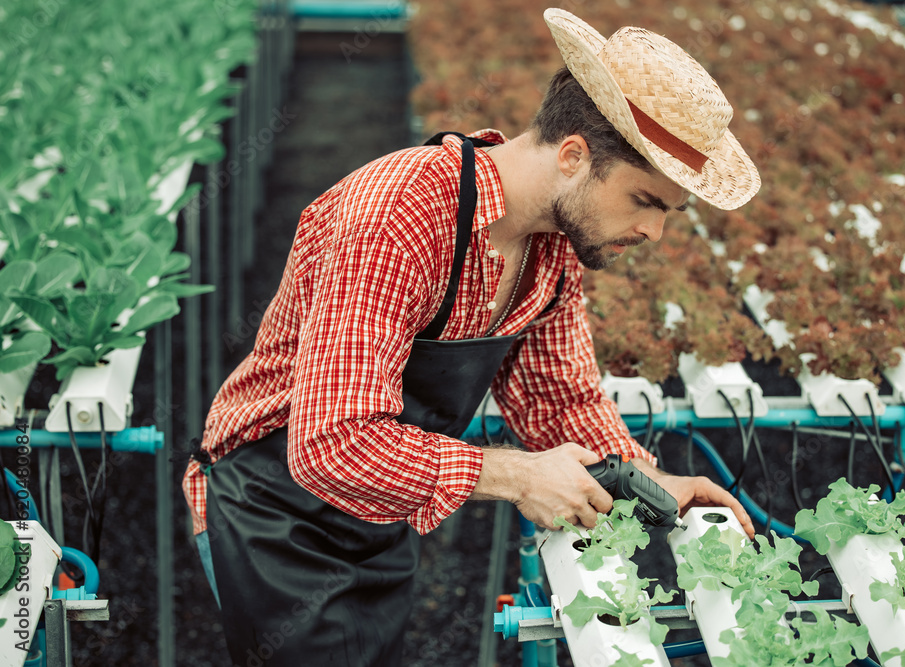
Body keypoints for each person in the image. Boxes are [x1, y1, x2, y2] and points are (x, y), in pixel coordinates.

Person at [183, 8, 761, 666]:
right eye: (645, 202)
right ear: (573, 156)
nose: (655, 234)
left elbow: (558, 400)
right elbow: (330, 445)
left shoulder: (552, 252)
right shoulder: (401, 214)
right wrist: (514, 475)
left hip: (377, 511)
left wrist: (651, 481)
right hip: (273, 512)